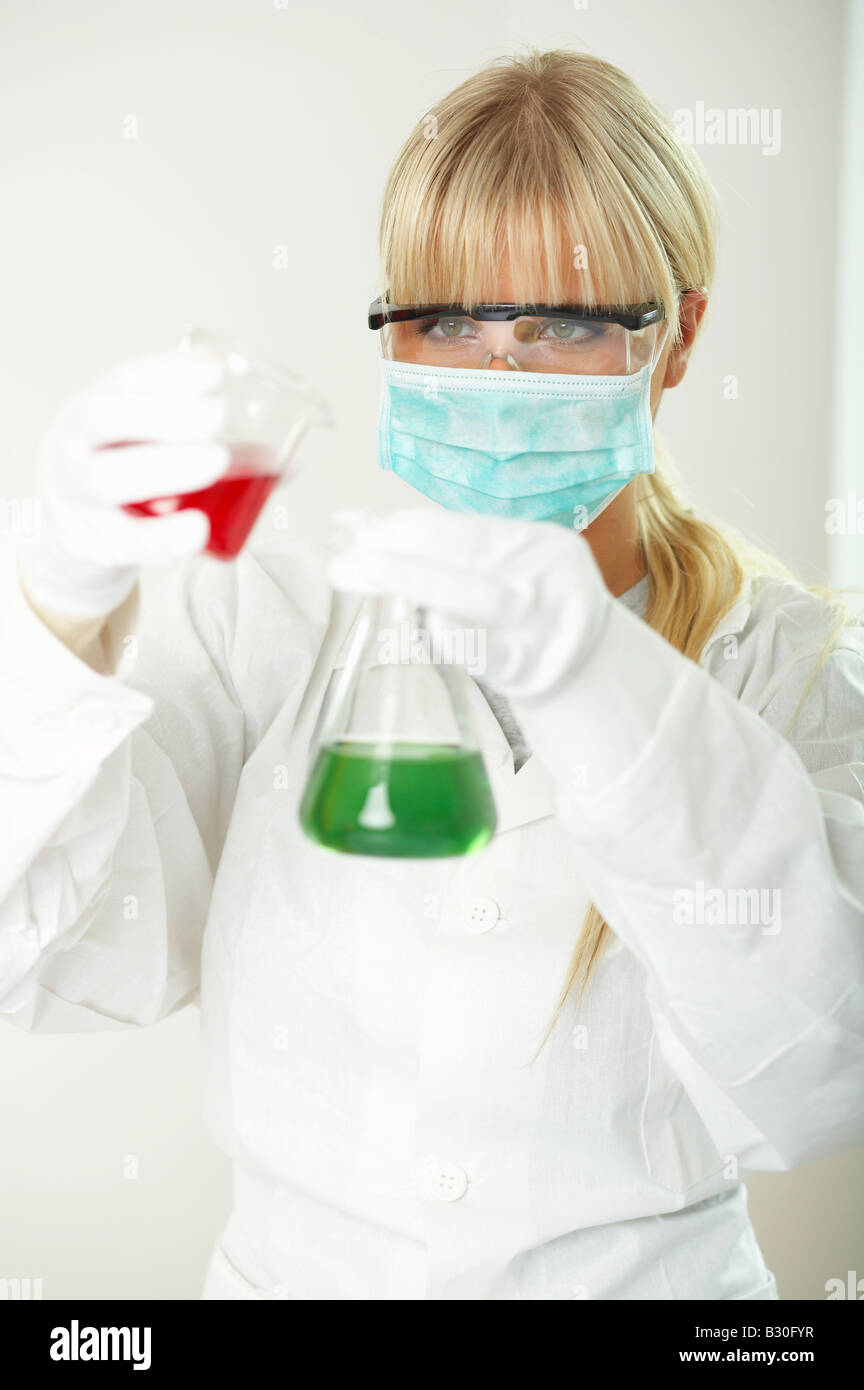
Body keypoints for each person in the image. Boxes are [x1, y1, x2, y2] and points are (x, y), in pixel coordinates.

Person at [3, 47, 863, 1302]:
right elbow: (48, 948)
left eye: (565, 322)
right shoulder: (278, 616)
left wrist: (599, 683)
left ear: (679, 337)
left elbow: (823, 1067)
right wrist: (56, 601)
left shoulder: (789, 666)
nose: (495, 375)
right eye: (448, 320)